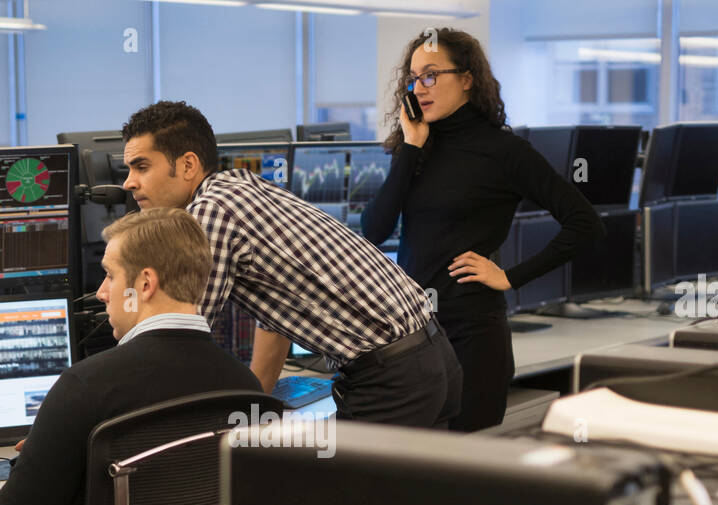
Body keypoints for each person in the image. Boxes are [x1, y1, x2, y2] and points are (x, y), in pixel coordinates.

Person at [120, 100, 462, 428]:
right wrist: (256, 404)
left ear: (188, 165)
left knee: (314, 484)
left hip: (393, 379)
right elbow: (276, 316)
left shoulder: (210, 214)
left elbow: (180, 335)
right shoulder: (242, 188)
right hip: (432, 359)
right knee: (410, 487)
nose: (128, 182)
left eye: (141, 166)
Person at [0, 207, 263, 505]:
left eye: (110, 276)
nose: (101, 292)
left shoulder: (85, 386)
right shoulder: (246, 386)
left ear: (144, 284)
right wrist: (54, 450)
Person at [362, 28, 603, 432]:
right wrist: (410, 147)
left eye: (431, 75)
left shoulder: (504, 152)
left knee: (459, 480)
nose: (419, 87)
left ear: (467, 79)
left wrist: (511, 276)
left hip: (472, 340)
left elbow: (586, 224)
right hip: (415, 340)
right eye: (414, 77)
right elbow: (373, 230)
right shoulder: (417, 148)